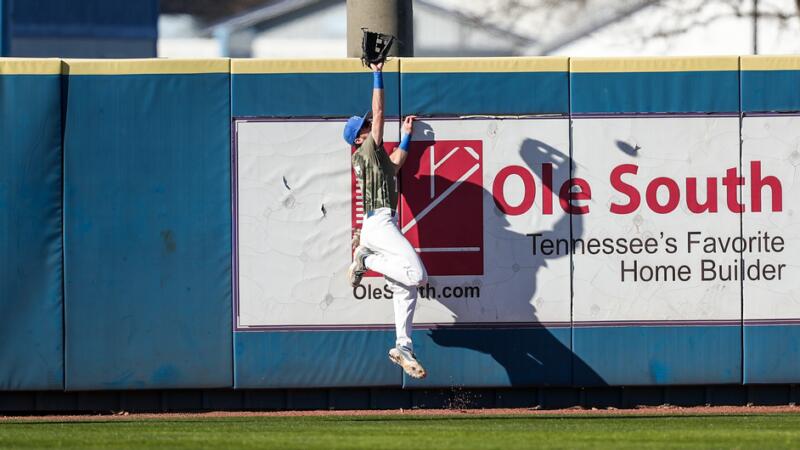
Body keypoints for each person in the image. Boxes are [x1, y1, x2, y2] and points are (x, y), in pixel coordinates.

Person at [343, 62, 428, 379]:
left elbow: (395, 166)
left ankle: (402, 346)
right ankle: (366, 257)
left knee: (406, 288)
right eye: (365, 127)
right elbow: (379, 114)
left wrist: (405, 138)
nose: (371, 126)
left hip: (380, 223)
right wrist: (377, 73)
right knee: (417, 275)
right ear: (359, 137)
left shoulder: (375, 159)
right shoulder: (364, 150)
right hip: (378, 225)